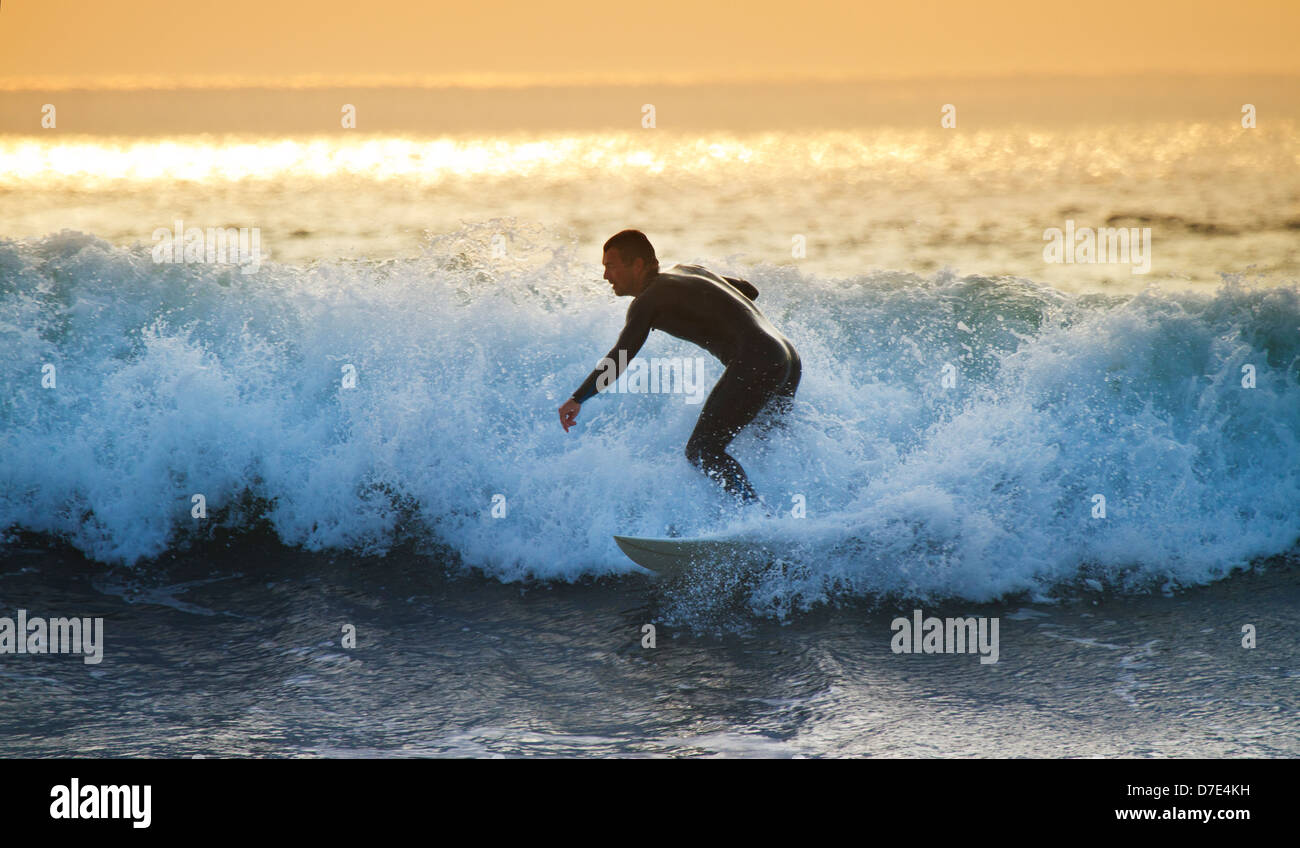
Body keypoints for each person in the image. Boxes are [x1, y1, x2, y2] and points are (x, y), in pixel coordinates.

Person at [558, 229, 800, 504]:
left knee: (702, 450)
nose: (605, 276)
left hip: (757, 360)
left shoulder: (647, 301)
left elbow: (621, 357)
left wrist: (578, 398)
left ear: (637, 265)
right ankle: (785, 520)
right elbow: (749, 290)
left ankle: (758, 517)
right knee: (763, 442)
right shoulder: (688, 270)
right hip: (787, 358)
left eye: (611, 267)